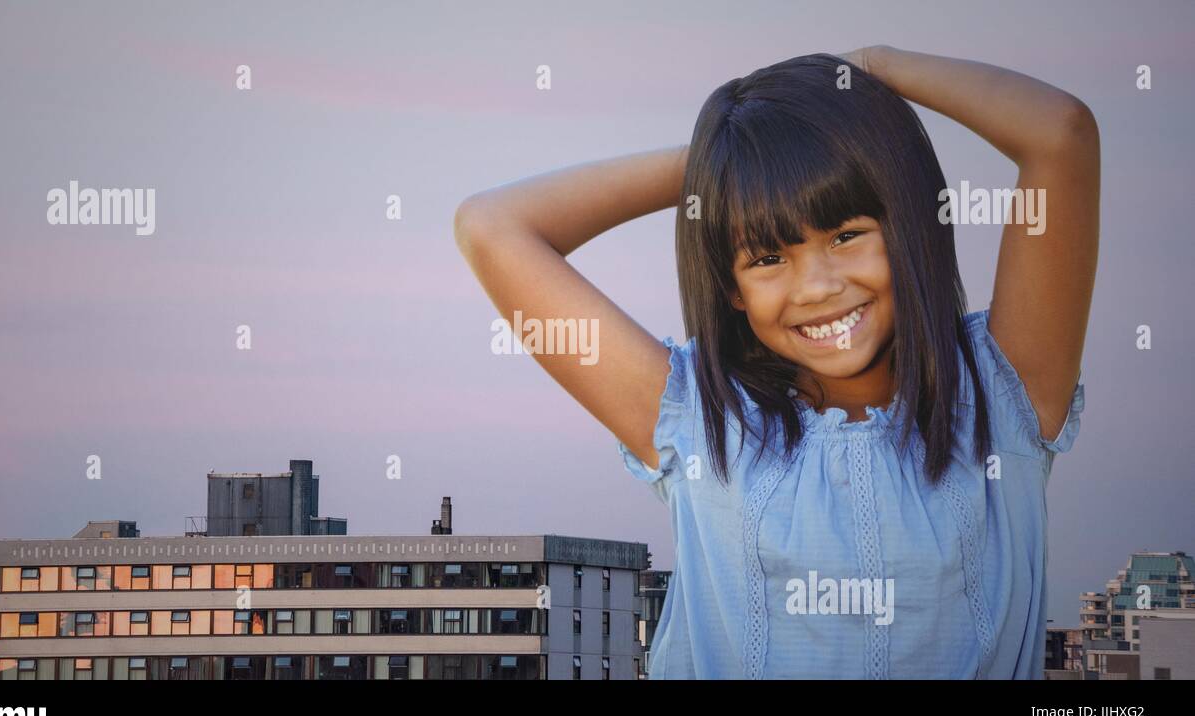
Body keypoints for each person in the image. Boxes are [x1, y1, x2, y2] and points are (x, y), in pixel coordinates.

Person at [453, 46, 1098, 678]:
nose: (815, 286)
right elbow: (493, 225)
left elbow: (1061, 135)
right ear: (731, 289)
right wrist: (729, 165)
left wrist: (872, 67)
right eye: (766, 258)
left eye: (846, 235)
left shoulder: (1002, 395)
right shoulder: (699, 421)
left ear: (907, 226)